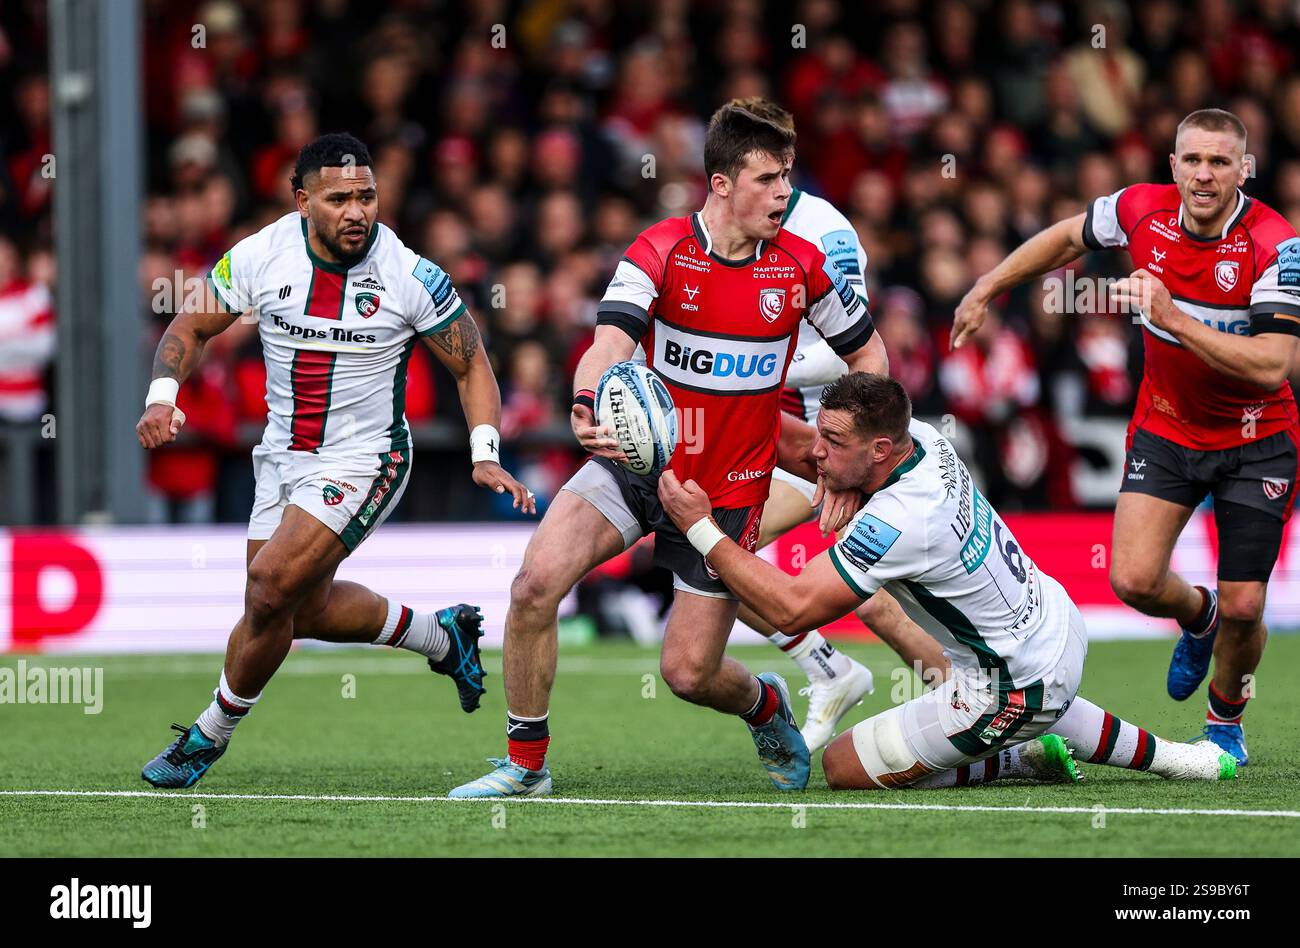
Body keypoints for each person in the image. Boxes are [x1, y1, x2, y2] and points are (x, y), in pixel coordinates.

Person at [450, 104, 888, 799]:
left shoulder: (802, 269)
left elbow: (867, 352)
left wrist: (852, 451)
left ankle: (763, 703)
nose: (783, 195)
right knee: (534, 586)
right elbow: (611, 341)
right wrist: (588, 401)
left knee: (689, 674)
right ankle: (526, 765)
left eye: (788, 178)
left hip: (729, 494)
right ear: (720, 184)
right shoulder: (659, 250)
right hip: (639, 464)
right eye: (768, 179)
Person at [136, 133, 535, 788]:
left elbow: (471, 364)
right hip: (282, 455)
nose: (357, 211)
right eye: (340, 198)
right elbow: (191, 325)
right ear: (303, 202)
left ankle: (207, 736)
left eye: (367, 196)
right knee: (291, 608)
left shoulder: (409, 275)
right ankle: (442, 636)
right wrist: (161, 398)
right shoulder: (263, 255)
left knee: (268, 589)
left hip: (367, 455)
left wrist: (484, 451)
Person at [659, 372, 1237, 790]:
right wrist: (838, 475)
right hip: (1051, 619)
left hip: (1013, 685)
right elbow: (817, 449)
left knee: (843, 769)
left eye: (832, 444)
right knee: (936, 644)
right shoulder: (926, 440)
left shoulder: (901, 521)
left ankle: (1017, 758)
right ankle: (1178, 758)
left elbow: (789, 608)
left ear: (879, 449)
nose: (816, 452)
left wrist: (702, 529)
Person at [950, 109, 1300, 765]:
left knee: (1251, 602)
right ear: (1173, 166)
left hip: (1258, 440)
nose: (1204, 174)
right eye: (1192, 160)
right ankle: (1202, 615)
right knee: (1134, 580)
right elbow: (1064, 239)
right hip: (1166, 426)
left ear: (1242, 170)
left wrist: (1170, 316)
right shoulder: (1139, 210)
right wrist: (990, 284)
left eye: (1220, 162)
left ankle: (1225, 723)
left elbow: (1274, 363)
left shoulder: (1277, 245)